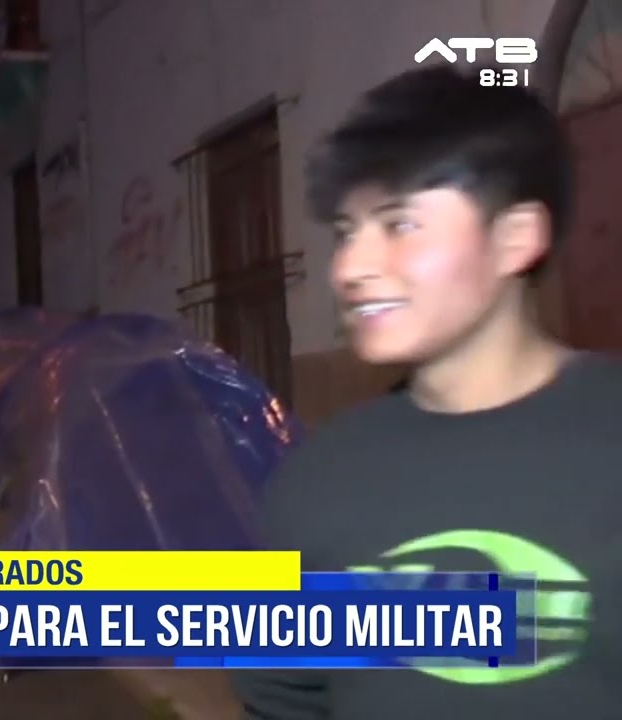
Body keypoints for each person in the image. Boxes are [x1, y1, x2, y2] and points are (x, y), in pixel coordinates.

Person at [234, 66, 621, 718]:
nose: (351, 268)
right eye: (347, 231)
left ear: (515, 237)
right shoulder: (317, 477)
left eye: (400, 223)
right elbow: (281, 696)